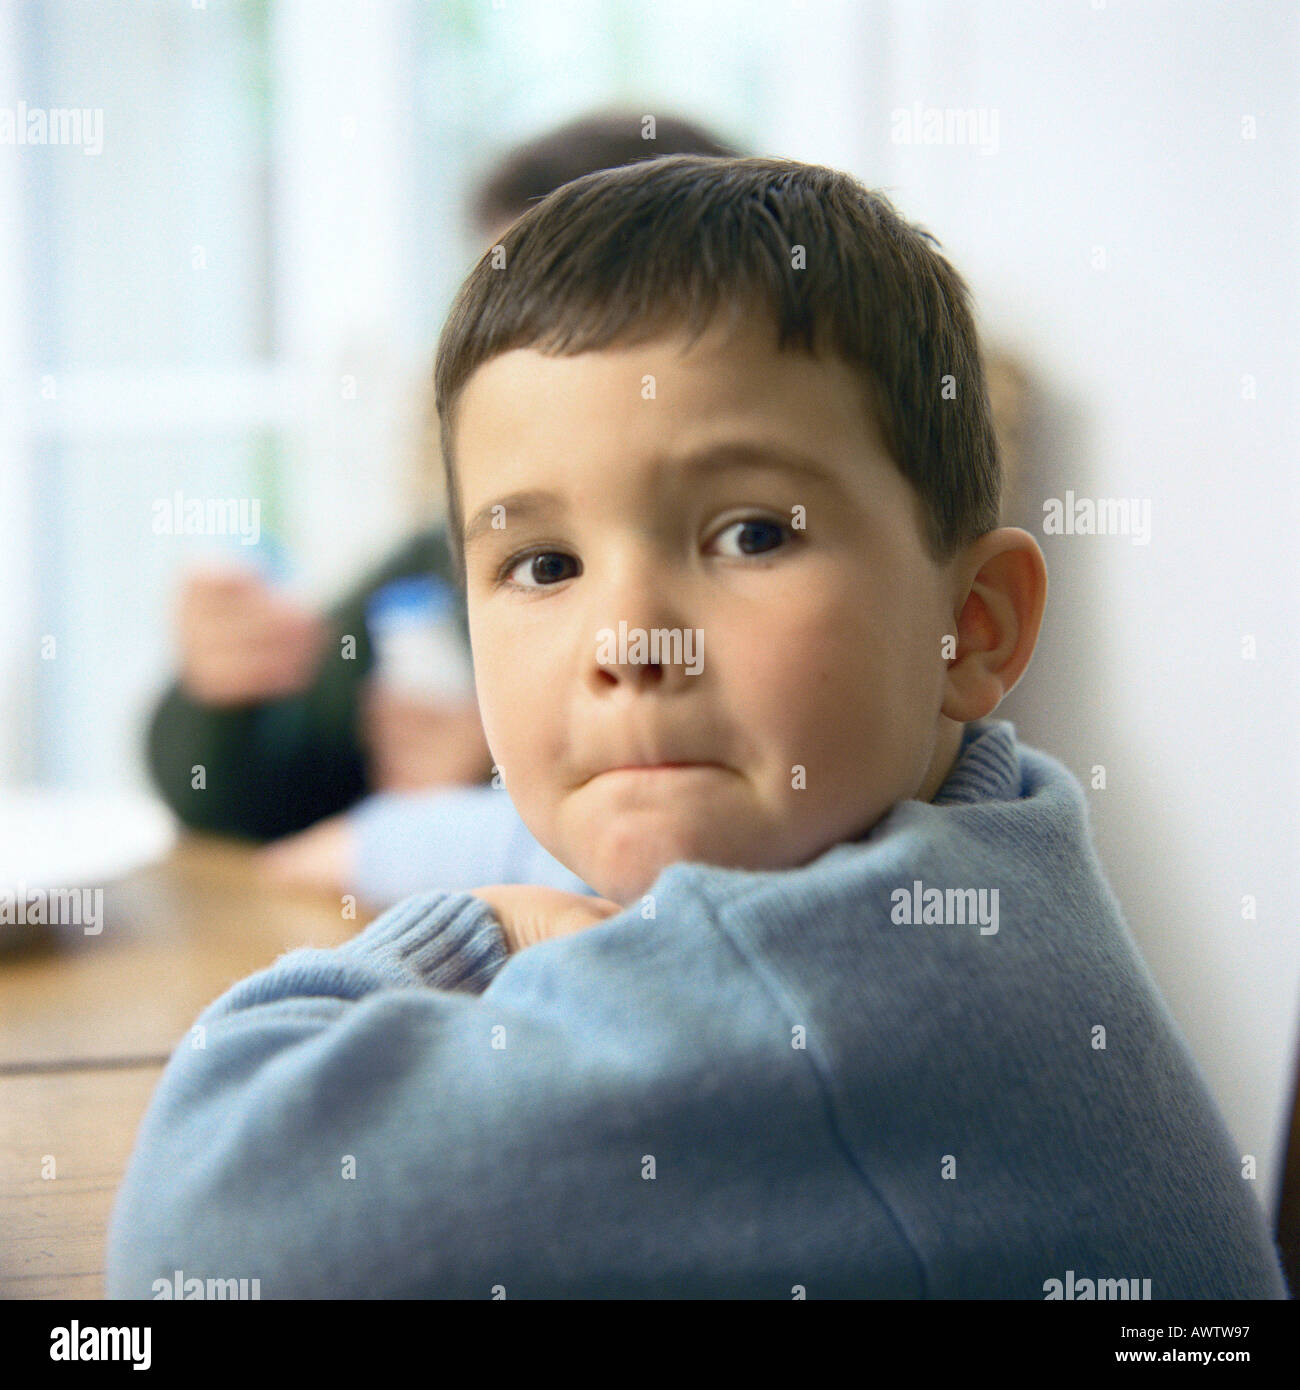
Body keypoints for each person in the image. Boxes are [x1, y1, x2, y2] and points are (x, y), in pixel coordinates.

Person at [106, 156, 1288, 1297]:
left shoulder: (812, 987)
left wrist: (469, 929)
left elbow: (206, 1232)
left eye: (750, 536)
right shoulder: (980, 833)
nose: (631, 642)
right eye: (543, 562)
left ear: (970, 629)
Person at [145, 110, 739, 841]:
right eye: (491, 314)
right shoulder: (443, 558)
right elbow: (247, 798)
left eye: (561, 320)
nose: (510, 366)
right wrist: (221, 688)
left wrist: (506, 754)